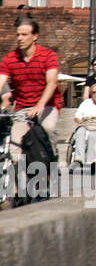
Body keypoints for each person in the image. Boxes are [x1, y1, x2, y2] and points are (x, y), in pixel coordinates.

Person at [0, 17, 63, 178]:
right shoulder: (10, 59)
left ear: (35, 36)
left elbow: (51, 83)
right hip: (23, 107)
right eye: (18, 35)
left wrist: (40, 105)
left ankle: (52, 160)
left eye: (24, 34)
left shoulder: (48, 56)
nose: (20, 38)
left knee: (48, 128)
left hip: (47, 105)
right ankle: (18, 190)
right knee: (14, 145)